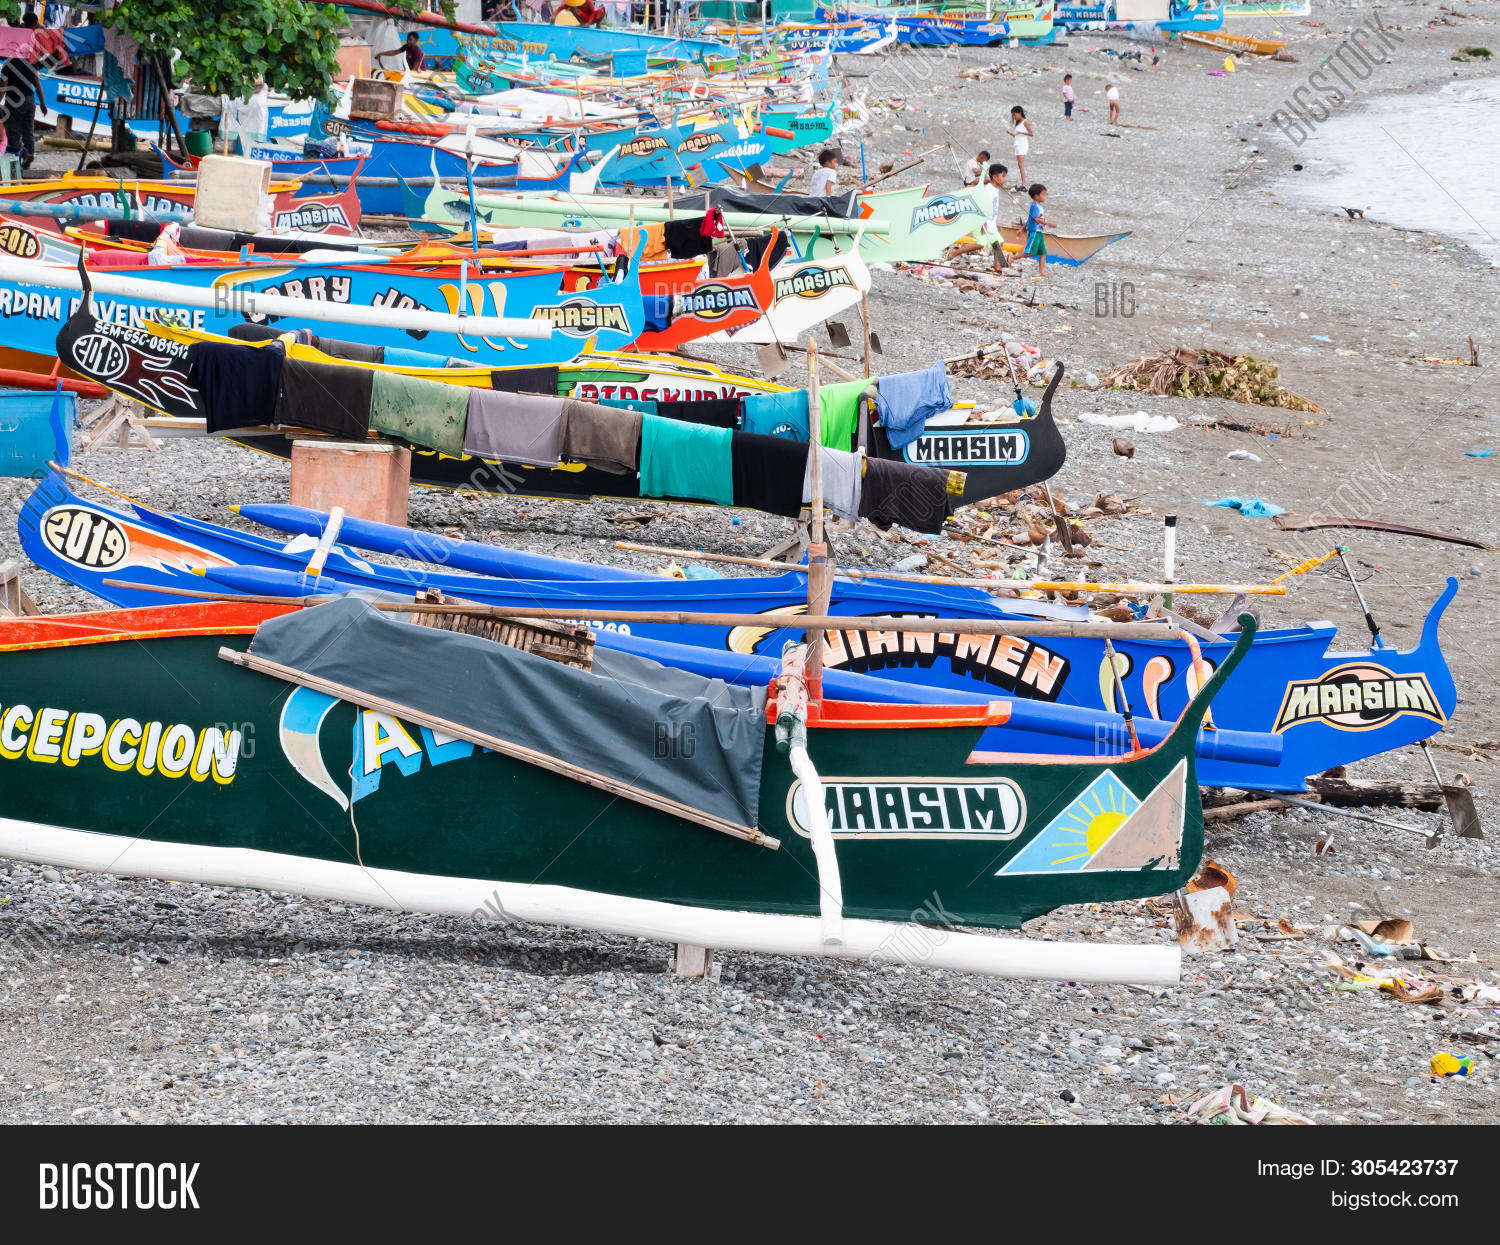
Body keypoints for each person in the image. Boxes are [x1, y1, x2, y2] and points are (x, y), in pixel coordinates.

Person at [947, 163, 1012, 272]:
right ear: (995, 177)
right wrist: (983, 221)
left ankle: (998, 266)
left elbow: (992, 208)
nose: (1004, 179)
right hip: (980, 220)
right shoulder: (989, 189)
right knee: (979, 244)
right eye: (1003, 176)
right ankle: (954, 253)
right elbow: (982, 205)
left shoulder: (995, 189)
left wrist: (994, 222)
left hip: (989, 221)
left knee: (999, 242)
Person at [0, 51, 41, 169]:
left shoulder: (8, 64)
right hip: (30, 99)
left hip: (15, 101)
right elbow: (37, 84)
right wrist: (42, 103)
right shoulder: (30, 61)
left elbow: (4, 84)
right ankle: (28, 161)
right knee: (29, 131)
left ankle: (19, 158)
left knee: (13, 132)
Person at [1023, 183, 1053, 278]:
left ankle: (1041, 271)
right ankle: (1012, 257)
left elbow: (1029, 219)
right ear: (1036, 196)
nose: (1045, 196)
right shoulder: (1034, 206)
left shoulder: (1039, 206)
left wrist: (1021, 229)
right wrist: (1048, 223)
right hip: (1034, 232)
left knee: (1043, 252)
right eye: (1043, 194)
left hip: (1039, 232)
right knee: (1030, 253)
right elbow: (1036, 219)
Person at [1007, 105, 1032, 189]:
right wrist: (1011, 134)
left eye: (1014, 115)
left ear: (1019, 113)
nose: (1013, 117)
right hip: (1017, 144)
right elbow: (1016, 136)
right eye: (1012, 115)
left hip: (1023, 145)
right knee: (1019, 165)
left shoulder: (1025, 122)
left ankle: (1024, 185)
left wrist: (1021, 133)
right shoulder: (1017, 123)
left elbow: (1031, 133)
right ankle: (1023, 184)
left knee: (1021, 164)